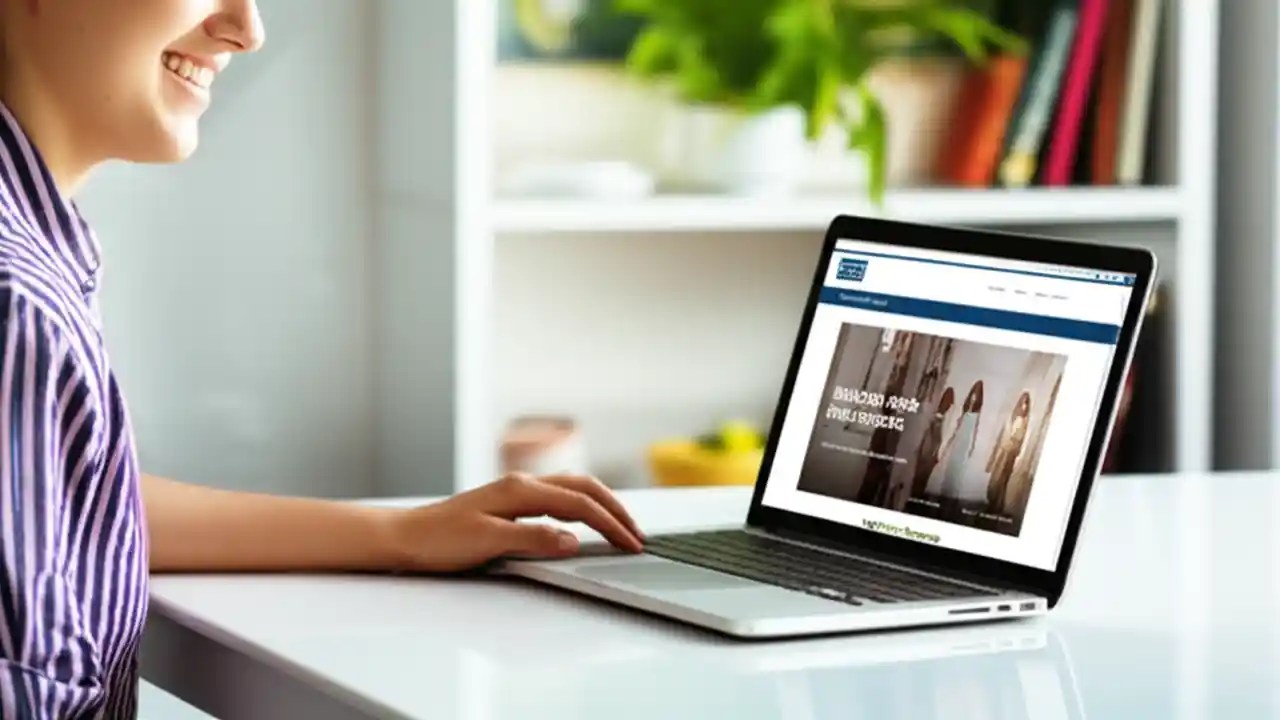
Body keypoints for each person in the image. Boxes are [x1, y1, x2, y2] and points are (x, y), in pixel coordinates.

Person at [0, 2, 644, 717]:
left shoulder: (29, 265)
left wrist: (401, 534)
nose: (247, 28)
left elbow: (75, 501)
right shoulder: (16, 307)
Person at [932, 380, 983, 517]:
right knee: (949, 468)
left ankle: (950, 498)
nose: (973, 398)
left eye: (976, 396)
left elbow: (975, 430)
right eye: (973, 394)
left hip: (965, 444)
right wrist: (949, 441)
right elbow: (956, 428)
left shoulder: (976, 414)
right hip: (957, 440)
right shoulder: (964, 410)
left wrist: (972, 446)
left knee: (958, 471)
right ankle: (943, 494)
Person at [986, 391, 1032, 516]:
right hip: (1003, 449)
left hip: (1011, 452)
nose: (1024, 406)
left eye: (1026, 404)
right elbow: (1003, 434)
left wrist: (1018, 454)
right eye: (1022, 403)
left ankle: (997, 505)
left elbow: (1022, 439)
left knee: (1003, 479)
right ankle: (992, 501)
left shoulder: (1025, 421)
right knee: (995, 477)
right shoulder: (1011, 417)